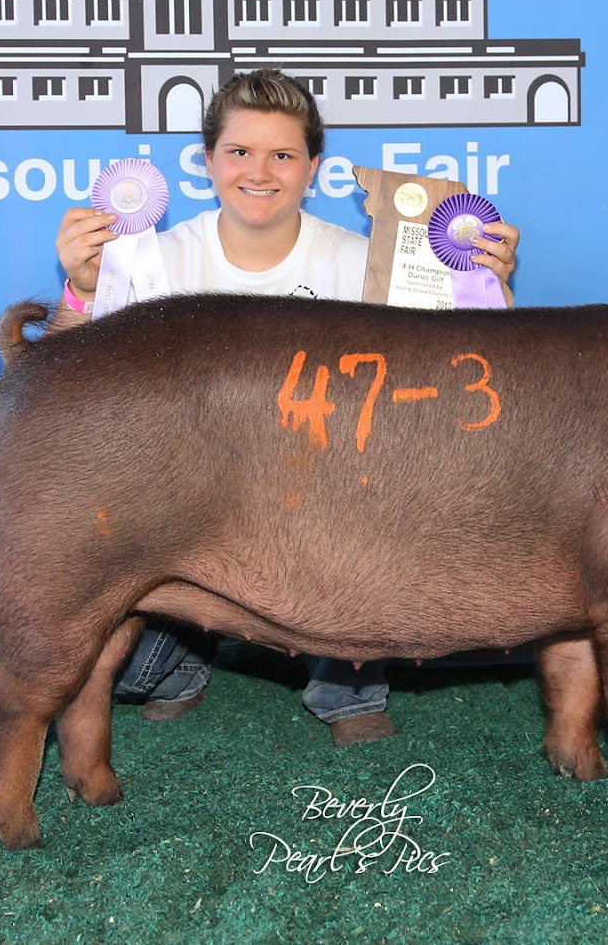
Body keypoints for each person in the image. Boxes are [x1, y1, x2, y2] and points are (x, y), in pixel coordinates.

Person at [45, 68, 522, 745]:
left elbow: (450, 382)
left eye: (283, 155)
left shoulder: (365, 264)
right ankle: (187, 655)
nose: (259, 172)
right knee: (121, 672)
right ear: (208, 161)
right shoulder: (155, 261)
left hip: (329, 499)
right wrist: (83, 291)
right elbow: (67, 388)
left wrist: (487, 294)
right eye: (239, 151)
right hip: (195, 504)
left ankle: (346, 679)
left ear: (313, 168)